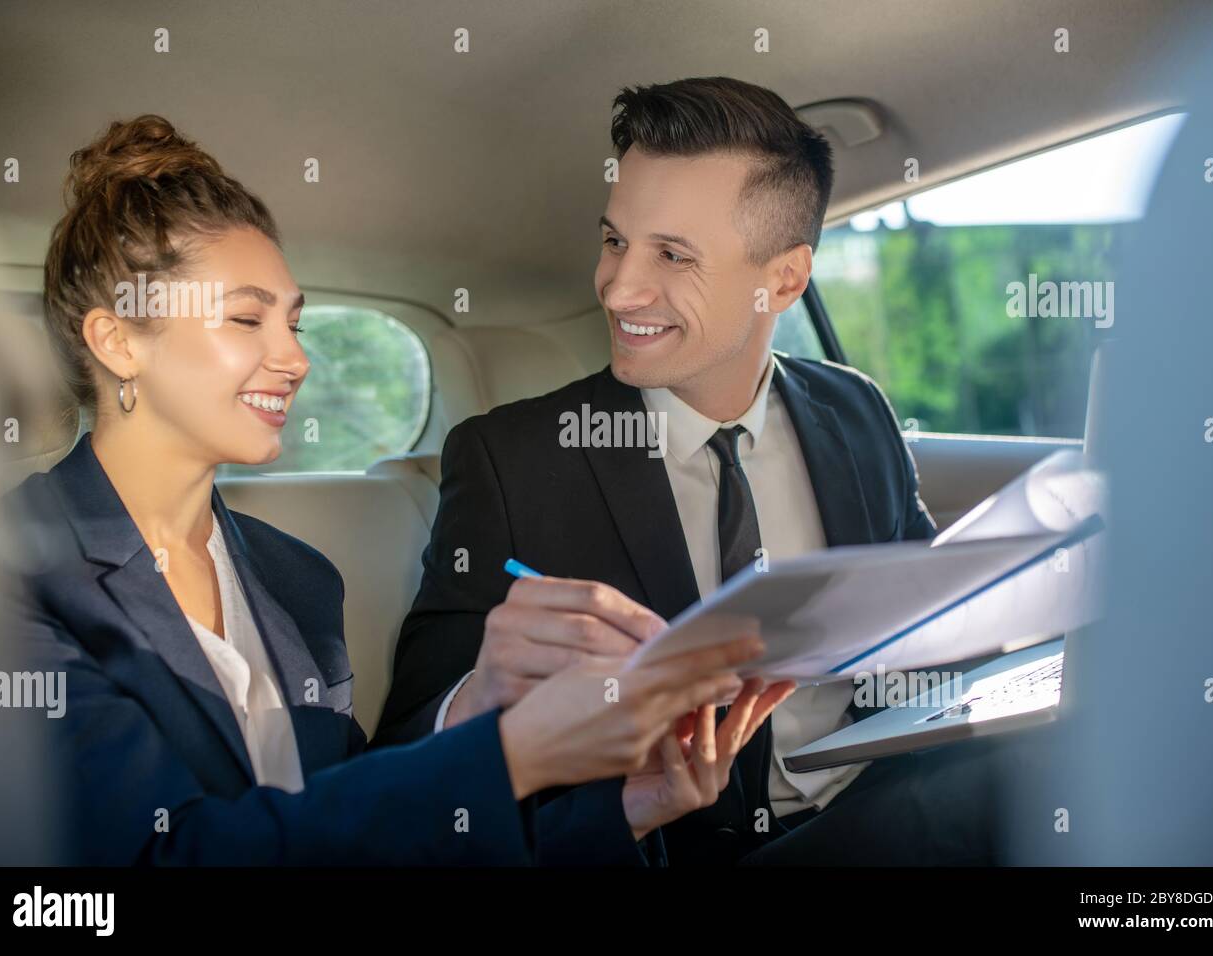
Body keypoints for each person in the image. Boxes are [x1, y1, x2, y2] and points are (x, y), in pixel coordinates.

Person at [5, 113, 766, 866]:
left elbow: (358, 835)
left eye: (295, 325)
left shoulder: (297, 580)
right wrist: (511, 754)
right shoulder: (4, 582)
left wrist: (622, 812)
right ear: (118, 341)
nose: (295, 359)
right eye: (247, 320)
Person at [376, 77, 1003, 865]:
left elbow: (922, 625)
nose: (617, 285)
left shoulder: (858, 414)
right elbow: (401, 754)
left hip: (875, 805)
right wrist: (480, 697)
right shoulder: (511, 460)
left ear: (784, 279)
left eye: (672, 254)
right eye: (614, 241)